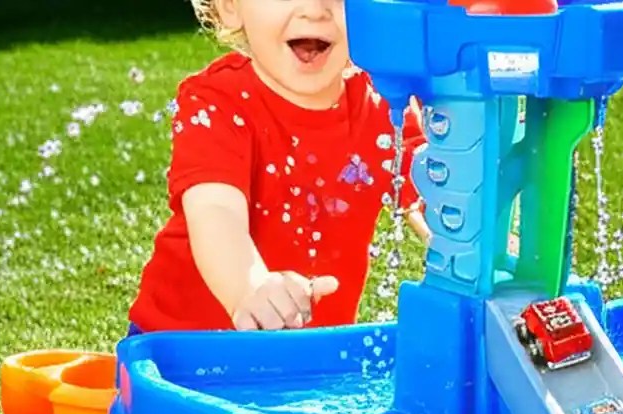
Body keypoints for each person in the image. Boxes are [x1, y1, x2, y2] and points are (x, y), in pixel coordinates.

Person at [128, 0, 430, 334]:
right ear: (230, 7)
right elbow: (216, 212)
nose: (315, 10)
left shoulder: (385, 106)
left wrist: (487, 248)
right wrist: (249, 287)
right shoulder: (218, 102)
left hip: (310, 354)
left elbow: (442, 193)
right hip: (183, 349)